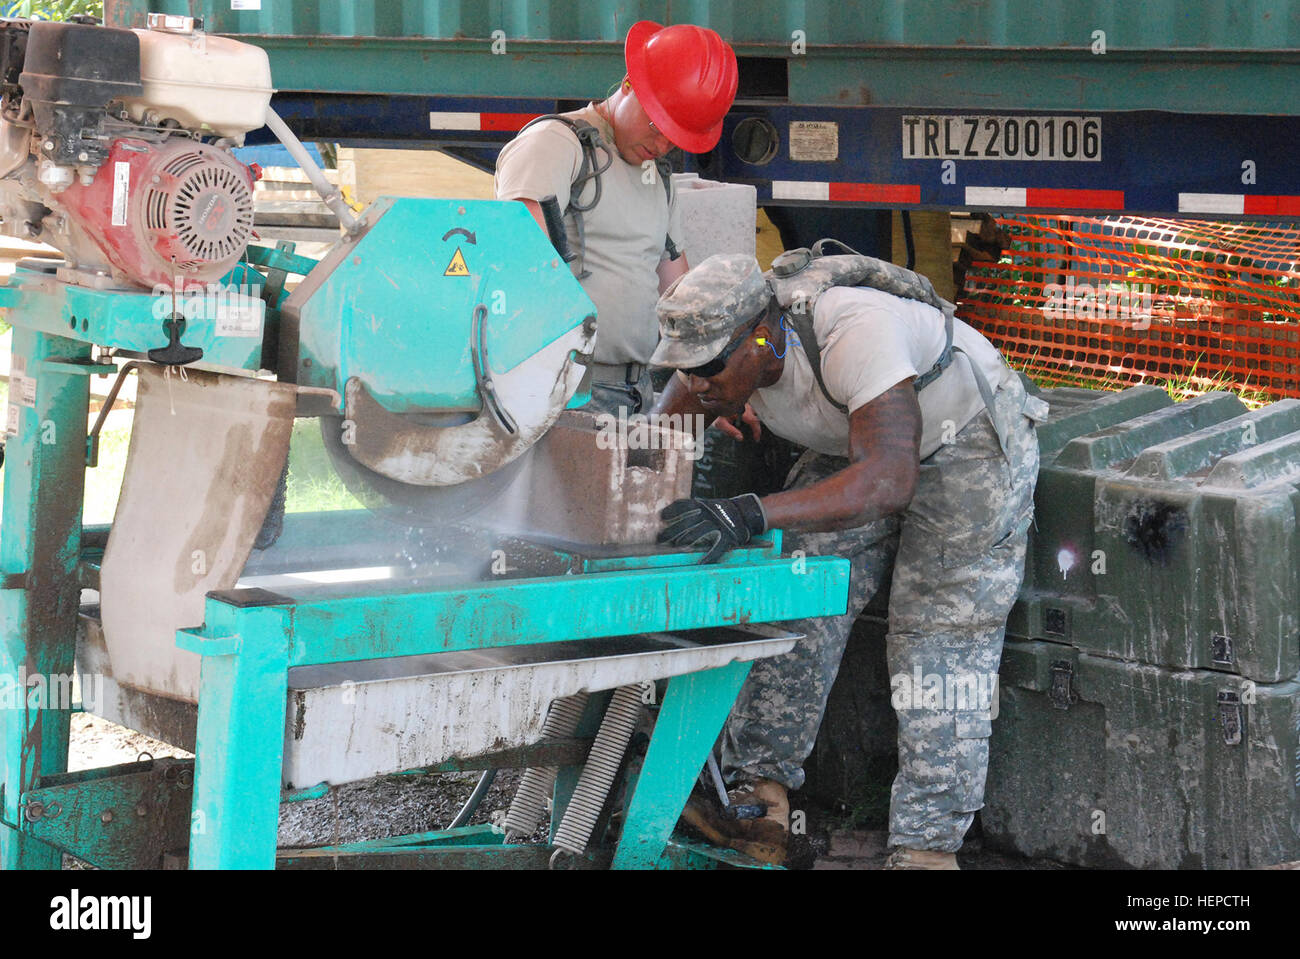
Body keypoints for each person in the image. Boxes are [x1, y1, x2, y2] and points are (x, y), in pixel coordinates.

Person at [648, 252, 1049, 868]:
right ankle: (759, 806)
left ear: (762, 334)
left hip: (964, 440)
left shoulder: (851, 329)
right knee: (794, 596)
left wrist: (751, 512)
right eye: (683, 369)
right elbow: (652, 449)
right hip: (856, 444)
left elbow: (889, 481)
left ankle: (925, 848)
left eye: (708, 366)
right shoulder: (719, 358)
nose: (697, 384)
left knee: (939, 641)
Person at [493, 20, 737, 415]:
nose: (661, 145)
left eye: (675, 139)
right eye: (658, 125)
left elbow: (679, 292)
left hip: (637, 390)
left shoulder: (657, 175)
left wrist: (711, 380)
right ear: (628, 85)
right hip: (567, 389)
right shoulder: (557, 144)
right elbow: (519, 258)